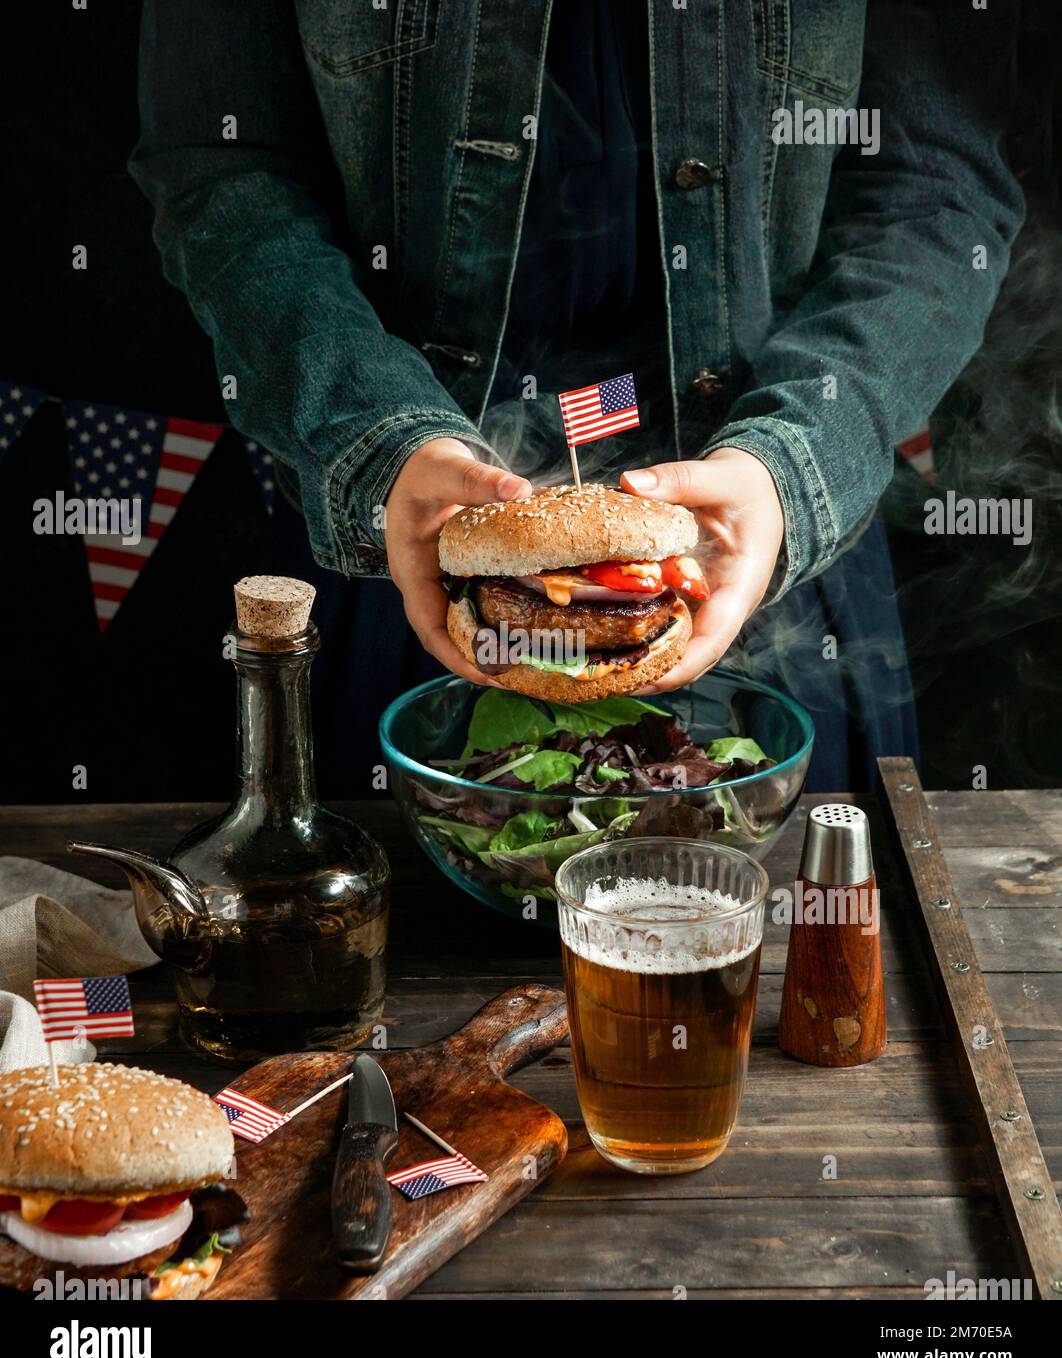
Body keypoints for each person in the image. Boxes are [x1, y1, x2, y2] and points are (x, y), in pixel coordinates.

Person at [129, 1, 1023, 793]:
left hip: (764, 547)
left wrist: (795, 466)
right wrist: (379, 435)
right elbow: (221, 165)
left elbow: (936, 192)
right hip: (400, 551)